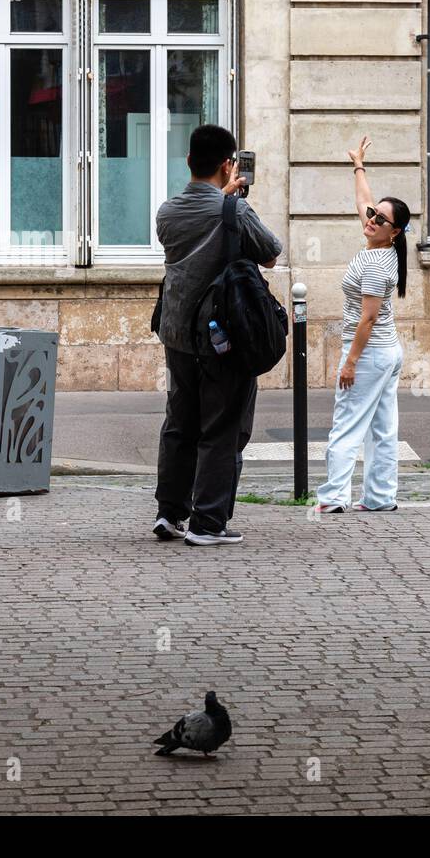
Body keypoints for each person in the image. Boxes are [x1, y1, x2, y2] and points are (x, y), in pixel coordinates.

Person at [152, 124, 282, 546]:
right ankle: (209, 523)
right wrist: (235, 204)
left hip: (177, 335)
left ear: (189, 161)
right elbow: (271, 253)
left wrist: (224, 201)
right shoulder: (235, 211)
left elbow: (197, 236)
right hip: (224, 336)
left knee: (179, 423)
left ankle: (170, 514)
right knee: (223, 427)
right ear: (229, 165)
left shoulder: (166, 213)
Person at [313, 136, 410, 514]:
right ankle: (381, 497)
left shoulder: (375, 264)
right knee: (383, 428)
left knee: (347, 424)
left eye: (380, 219)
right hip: (387, 353)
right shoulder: (381, 248)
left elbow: (368, 318)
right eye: (373, 215)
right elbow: (362, 200)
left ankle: (334, 497)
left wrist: (350, 361)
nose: (370, 220)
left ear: (395, 232)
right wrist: (358, 164)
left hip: (368, 353)